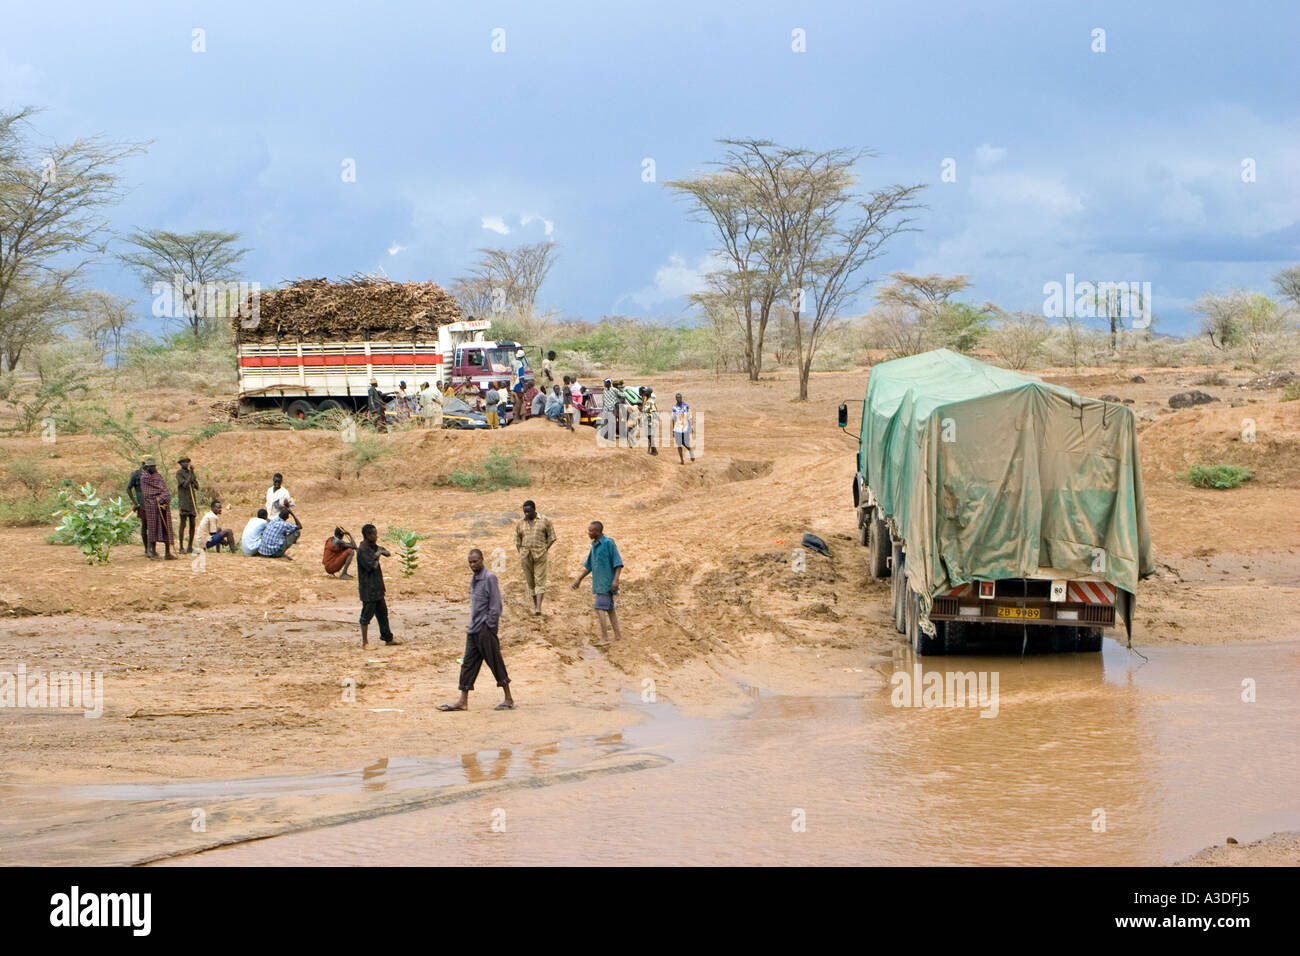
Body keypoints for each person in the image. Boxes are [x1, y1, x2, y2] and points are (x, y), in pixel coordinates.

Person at [439, 548, 514, 711]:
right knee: (468, 664)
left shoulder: (490, 578)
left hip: (485, 629)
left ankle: (508, 698)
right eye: (470, 562)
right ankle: (463, 701)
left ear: (482, 559)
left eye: (475, 561)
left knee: (495, 662)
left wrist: (490, 627)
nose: (473, 565)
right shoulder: (474, 579)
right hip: (474, 630)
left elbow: (496, 606)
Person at [572, 520, 623, 647]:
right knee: (610, 609)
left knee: (599, 608)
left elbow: (618, 563)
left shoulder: (608, 543)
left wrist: (615, 580)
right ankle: (617, 635)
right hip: (599, 583)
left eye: (590, 531)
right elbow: (589, 566)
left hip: (606, 583)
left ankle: (604, 637)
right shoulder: (594, 546)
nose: (588, 533)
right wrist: (579, 579)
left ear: (597, 532)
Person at [355, 523, 397, 647]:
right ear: (367, 535)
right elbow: (371, 567)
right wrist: (378, 554)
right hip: (368, 588)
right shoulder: (362, 550)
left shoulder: (372, 546)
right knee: (366, 615)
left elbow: (387, 553)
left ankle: (387, 637)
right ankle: (364, 642)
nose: (376, 536)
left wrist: (380, 552)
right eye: (374, 534)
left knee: (382, 613)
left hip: (377, 587)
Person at [515, 499, 556, 615]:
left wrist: (545, 549)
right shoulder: (520, 523)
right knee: (530, 581)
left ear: (534, 509)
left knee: (539, 580)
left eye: (529, 512)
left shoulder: (545, 521)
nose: (527, 514)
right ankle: (535, 605)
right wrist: (521, 552)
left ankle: (538, 607)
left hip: (540, 555)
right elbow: (517, 540)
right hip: (526, 556)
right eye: (525, 512)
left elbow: (552, 537)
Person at [139, 457, 177, 560]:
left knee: (166, 527)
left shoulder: (158, 476)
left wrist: (162, 497)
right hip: (151, 506)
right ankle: (152, 552)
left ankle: (167, 553)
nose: (153, 468)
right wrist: (158, 497)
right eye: (151, 466)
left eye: (154, 466)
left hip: (163, 505)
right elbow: (147, 494)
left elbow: (164, 489)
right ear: (147, 467)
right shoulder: (144, 478)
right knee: (152, 528)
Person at [175, 457, 200, 553]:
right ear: (180, 464)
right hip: (184, 502)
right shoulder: (179, 473)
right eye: (184, 462)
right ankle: (181, 547)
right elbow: (185, 485)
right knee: (183, 524)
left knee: (192, 524)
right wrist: (191, 475)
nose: (186, 464)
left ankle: (190, 546)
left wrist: (193, 476)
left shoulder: (191, 473)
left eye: (188, 462)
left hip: (192, 502)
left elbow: (197, 487)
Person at [126, 454, 149, 555]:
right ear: (143, 463)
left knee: (152, 526)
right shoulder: (136, 474)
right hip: (142, 503)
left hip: (152, 503)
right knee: (144, 525)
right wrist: (135, 502)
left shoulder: (153, 473)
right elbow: (128, 488)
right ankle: (147, 549)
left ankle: (151, 548)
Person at [672, 392, 696, 464]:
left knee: (685, 443)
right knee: (679, 444)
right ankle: (682, 460)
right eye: (677, 397)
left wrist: (691, 426)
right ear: (676, 399)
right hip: (677, 428)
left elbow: (690, 417)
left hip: (685, 428)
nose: (679, 399)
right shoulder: (674, 408)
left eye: (680, 397)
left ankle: (690, 451)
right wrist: (673, 429)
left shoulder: (686, 406)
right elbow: (673, 419)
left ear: (682, 398)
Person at [641, 386, 659, 455]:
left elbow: (654, 413)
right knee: (649, 436)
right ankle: (652, 450)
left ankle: (654, 451)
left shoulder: (650, 402)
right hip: (648, 422)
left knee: (650, 436)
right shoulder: (647, 401)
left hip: (651, 422)